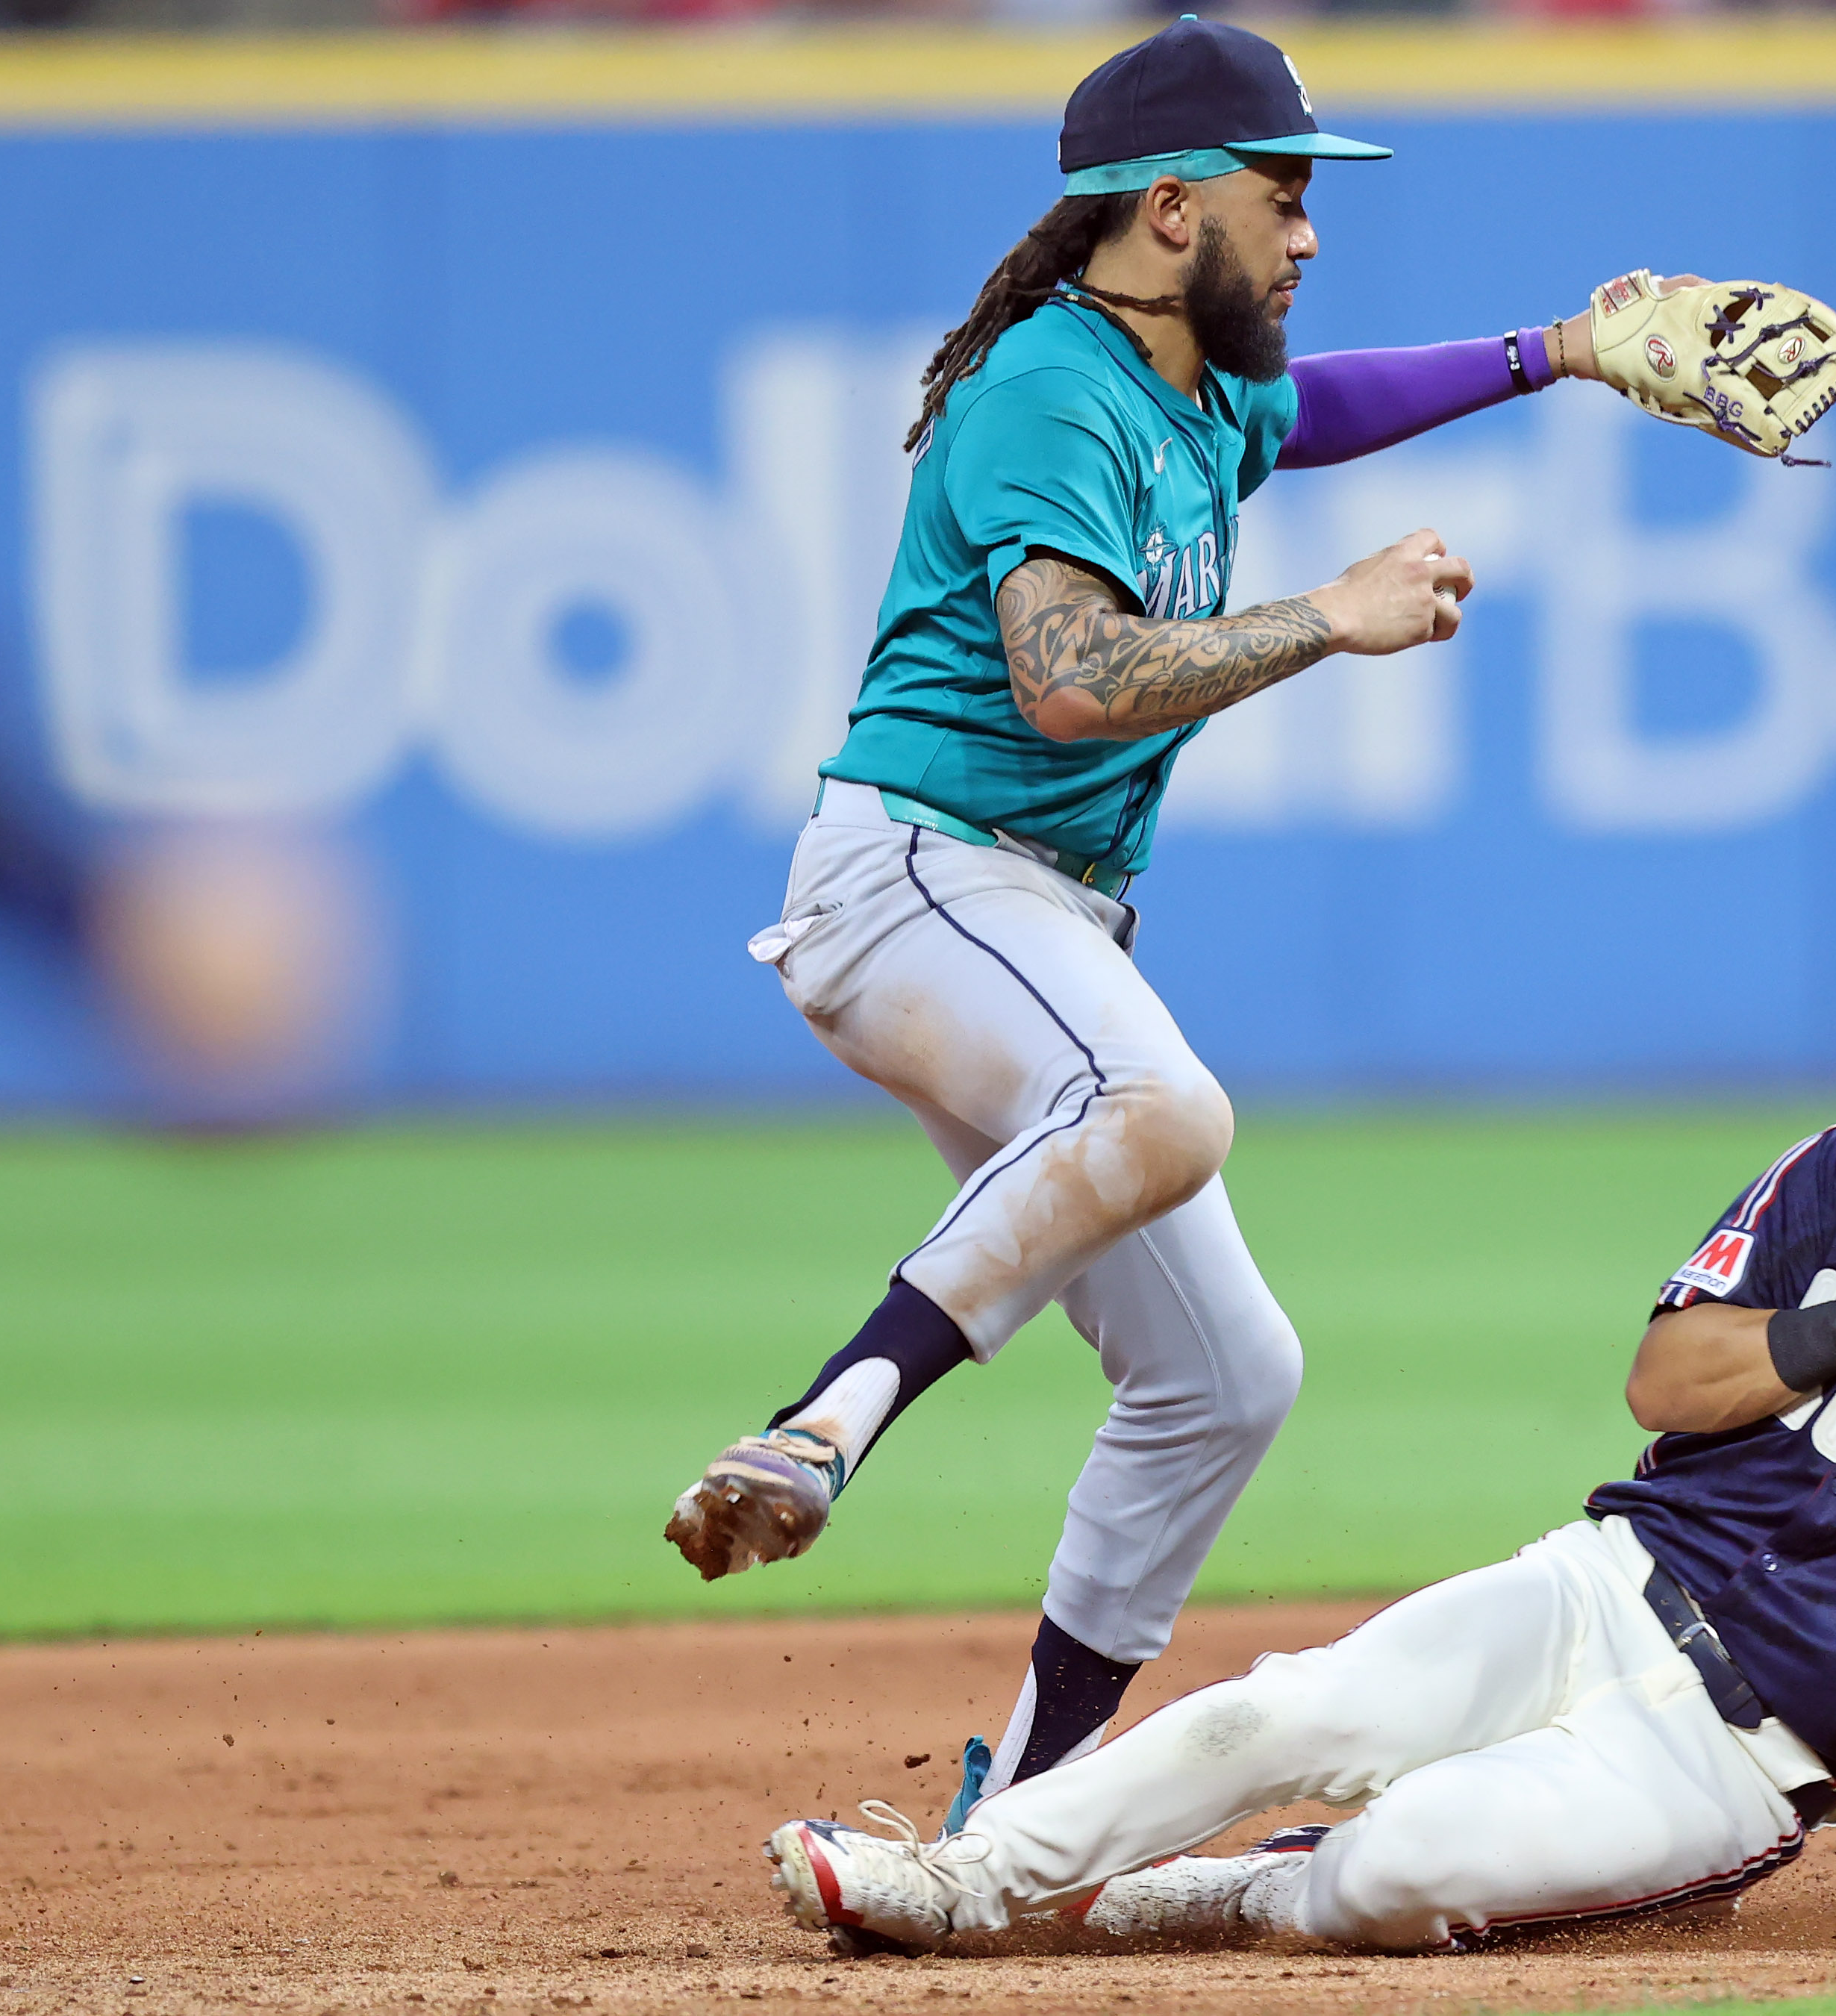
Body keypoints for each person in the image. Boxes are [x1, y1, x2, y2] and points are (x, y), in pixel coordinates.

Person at [664, 13, 1693, 1822]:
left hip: (1028, 911)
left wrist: (1564, 351)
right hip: (916, 874)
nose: (1307, 236)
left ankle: (1032, 1797)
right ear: (1161, 208)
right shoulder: (1049, 393)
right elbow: (1063, 683)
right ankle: (825, 1423)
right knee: (1159, 1109)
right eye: (1279, 197)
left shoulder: (1203, 380)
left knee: (1227, 1375)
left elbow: (1326, 405)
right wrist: (1329, 615)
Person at [758, 983, 1836, 1953]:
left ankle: (1246, 1898)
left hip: (1741, 1758)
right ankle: (960, 1879)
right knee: (1285, 1708)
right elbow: (1660, 1377)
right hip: (1599, 1587)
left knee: (1404, 1857)